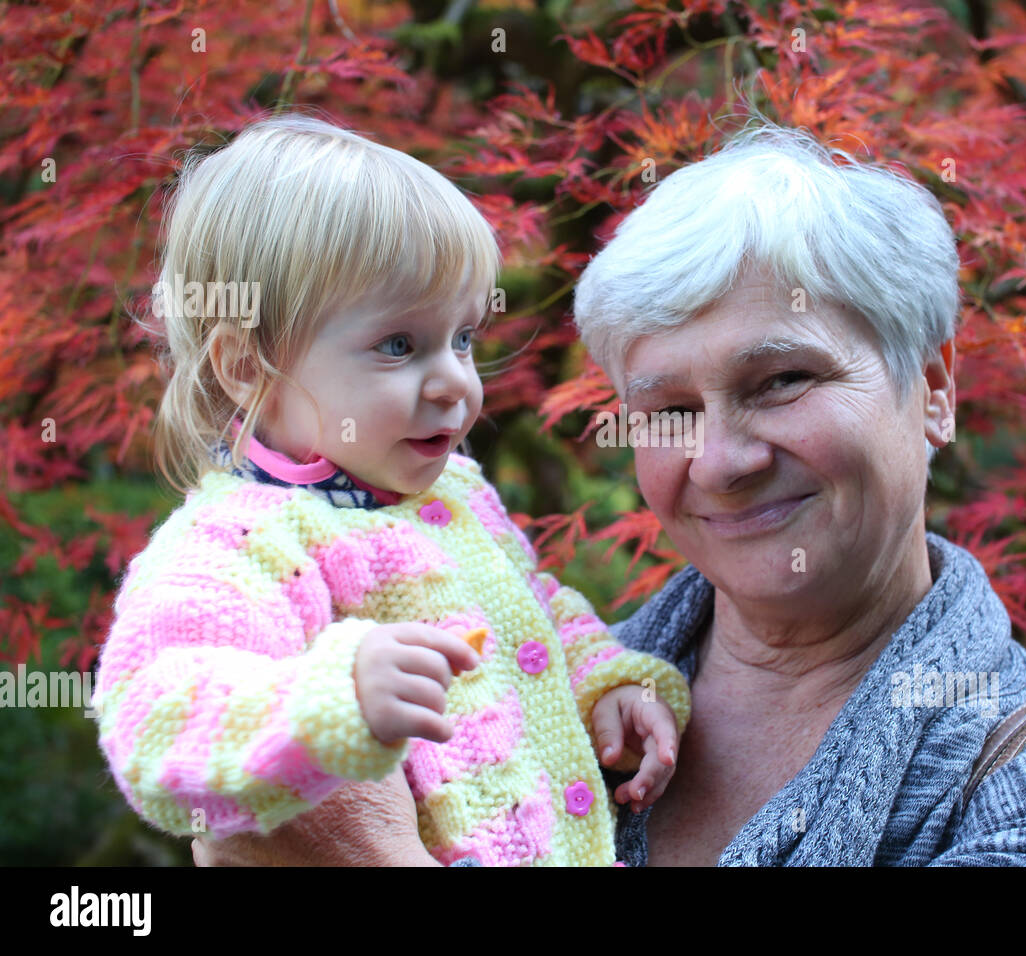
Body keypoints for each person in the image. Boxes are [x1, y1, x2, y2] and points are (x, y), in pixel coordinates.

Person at [193, 121, 1026, 867]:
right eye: (669, 407)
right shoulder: (504, 700)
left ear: (936, 388)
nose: (722, 458)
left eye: (783, 380)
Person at [92, 113, 691, 868]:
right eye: (399, 345)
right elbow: (155, 716)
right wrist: (330, 699)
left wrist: (602, 684)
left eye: (463, 338)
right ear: (247, 367)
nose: (454, 381)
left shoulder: (460, 495)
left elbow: (530, 614)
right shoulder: (242, 541)